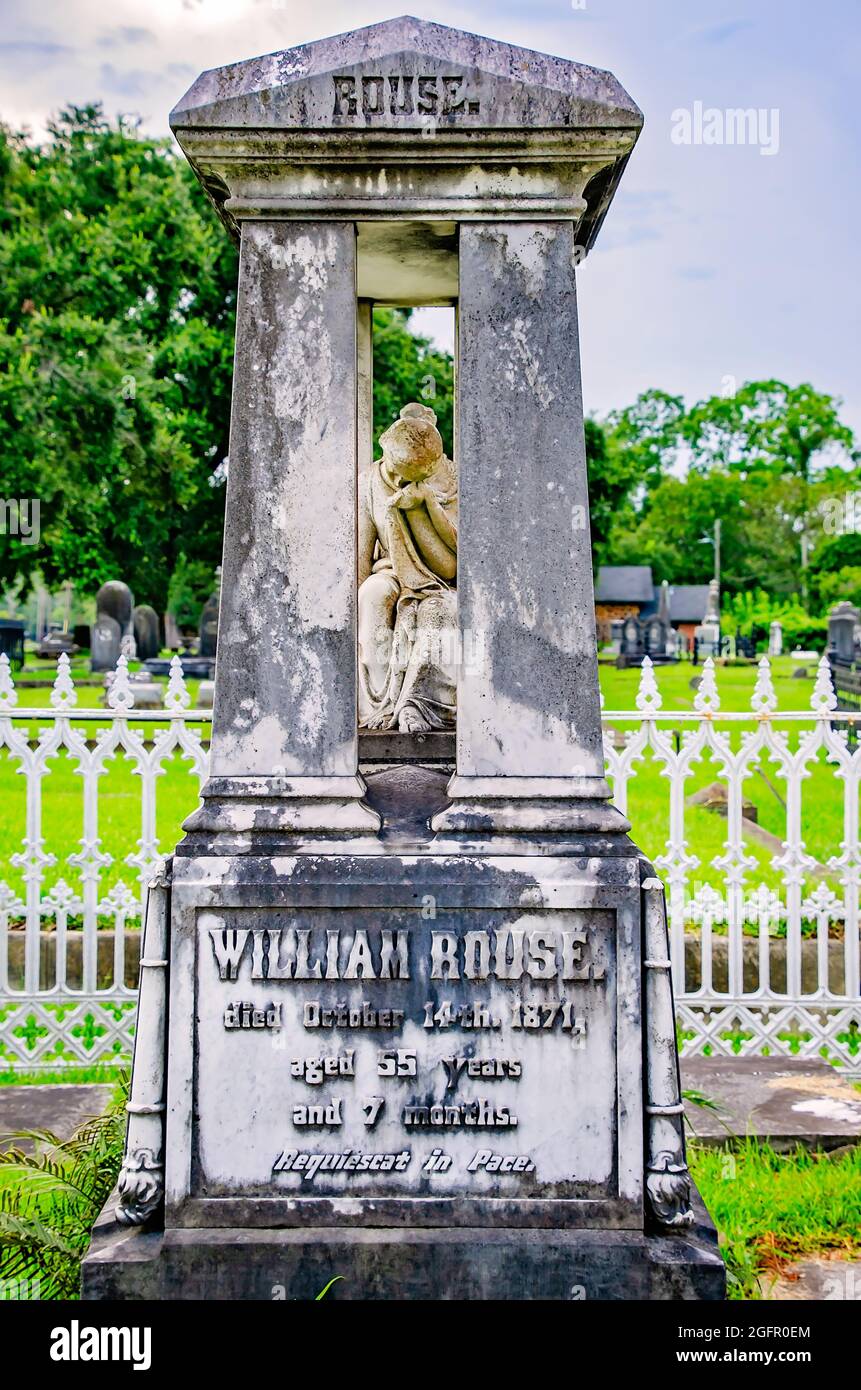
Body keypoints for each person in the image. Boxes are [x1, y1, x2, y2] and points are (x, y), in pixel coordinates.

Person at [358, 402, 457, 733]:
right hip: (389, 571)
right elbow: (361, 553)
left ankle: (418, 705)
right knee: (372, 594)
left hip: (441, 581)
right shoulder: (370, 479)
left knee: (437, 612)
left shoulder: (452, 477)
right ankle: (377, 706)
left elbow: (454, 558)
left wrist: (425, 504)